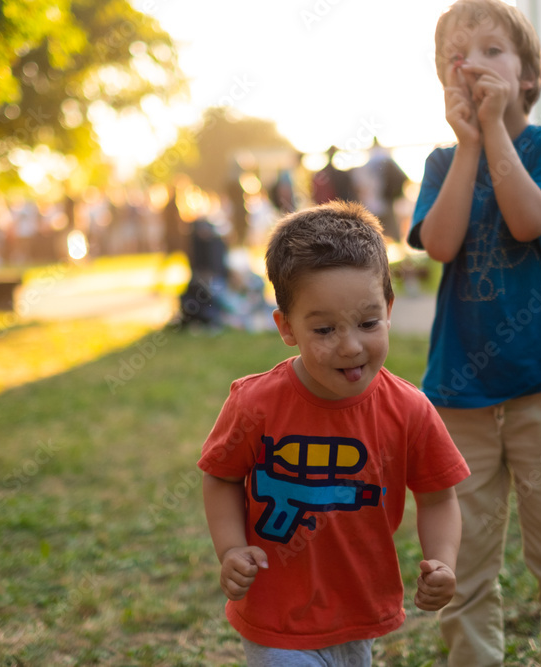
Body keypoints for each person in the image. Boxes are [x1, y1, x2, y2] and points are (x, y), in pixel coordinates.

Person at [407, 1, 541, 664]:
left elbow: (526, 220)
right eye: (456, 57)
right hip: (459, 395)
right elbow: (440, 244)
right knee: (461, 572)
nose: (472, 65)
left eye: (493, 50)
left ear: (528, 76)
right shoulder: (442, 162)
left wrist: (494, 130)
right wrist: (470, 143)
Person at [199, 201, 470, 665]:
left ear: (388, 309)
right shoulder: (255, 403)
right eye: (324, 329)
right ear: (286, 327)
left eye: (368, 323)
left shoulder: (409, 409)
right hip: (276, 615)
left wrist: (443, 560)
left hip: (358, 612)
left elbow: (438, 497)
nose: (350, 346)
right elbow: (221, 476)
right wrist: (231, 549)